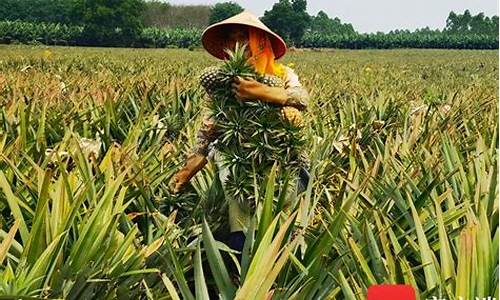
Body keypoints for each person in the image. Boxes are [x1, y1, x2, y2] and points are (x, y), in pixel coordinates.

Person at [169, 10, 310, 281]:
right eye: (231, 39)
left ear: (258, 41)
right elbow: (211, 126)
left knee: (281, 225)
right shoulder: (224, 81)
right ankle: (237, 279)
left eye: (243, 37)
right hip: (238, 166)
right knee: (238, 225)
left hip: (280, 163)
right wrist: (191, 165)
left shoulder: (282, 74)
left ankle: (279, 277)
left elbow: (301, 100)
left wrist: (263, 93)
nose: (237, 45)